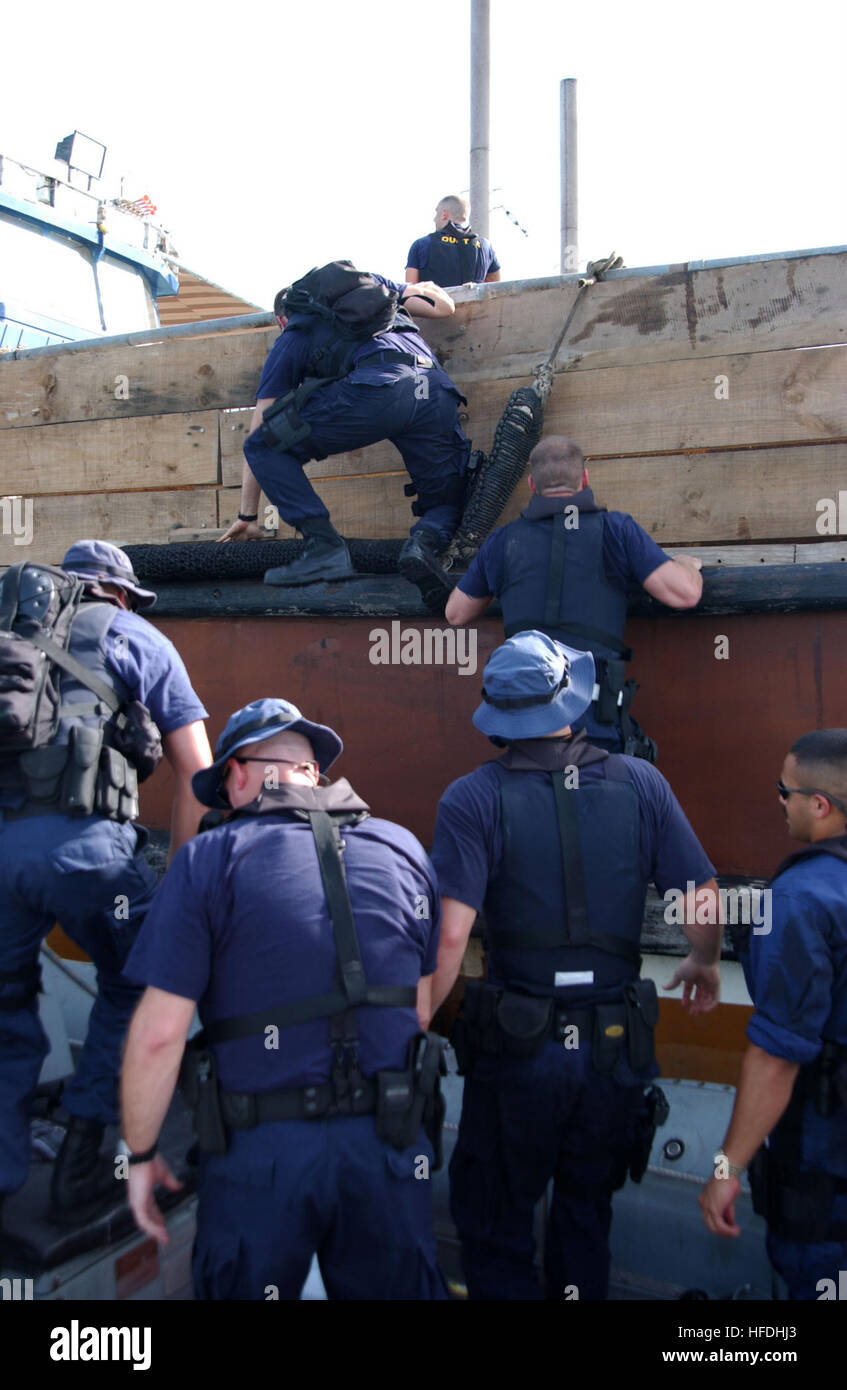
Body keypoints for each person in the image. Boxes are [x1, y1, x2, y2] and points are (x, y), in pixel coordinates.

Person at [423, 631, 722, 1299]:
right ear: (573, 699)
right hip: (613, 1049)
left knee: (495, 1221)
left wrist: (411, 1025)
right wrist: (703, 961)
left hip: (518, 1051)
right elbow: (698, 893)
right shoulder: (641, 782)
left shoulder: (471, 799)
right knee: (586, 1215)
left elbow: (448, 939)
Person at [121, 698, 446, 1300]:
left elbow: (160, 1035)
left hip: (261, 1161)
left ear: (238, 774)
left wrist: (139, 1157)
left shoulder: (205, 861)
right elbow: (419, 1011)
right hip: (389, 1149)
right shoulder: (405, 850)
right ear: (311, 773)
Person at [0, 540, 211, 1226]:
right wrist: (180, 879)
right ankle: (86, 1155)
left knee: (5, 1004)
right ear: (121, 593)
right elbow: (198, 775)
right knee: (135, 982)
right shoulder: (137, 636)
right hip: (85, 852)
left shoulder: (9, 637)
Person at [699, 729, 847, 1300]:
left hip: (825, 1161)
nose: (779, 801)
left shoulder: (800, 898)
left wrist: (724, 1171)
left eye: (784, 790)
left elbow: (776, 1057)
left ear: (820, 805)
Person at [445, 435, 704, 755]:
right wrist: (686, 565)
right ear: (584, 479)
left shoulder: (503, 541)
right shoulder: (616, 530)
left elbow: (455, 613)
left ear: (531, 485)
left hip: (527, 729)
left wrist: (504, 579)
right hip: (596, 729)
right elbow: (686, 594)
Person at [219, 264, 471, 593]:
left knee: (263, 446)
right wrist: (420, 285)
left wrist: (248, 516)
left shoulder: (294, 335)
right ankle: (422, 546)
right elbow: (444, 306)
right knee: (444, 501)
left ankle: (325, 549)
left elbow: (259, 431)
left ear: (282, 319)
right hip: (436, 391)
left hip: (380, 391)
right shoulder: (381, 293)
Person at [405, 196, 501, 287]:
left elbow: (411, 289)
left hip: (436, 303)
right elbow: (494, 289)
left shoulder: (422, 244)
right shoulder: (486, 246)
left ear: (444, 214)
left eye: (436, 213)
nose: (434, 219)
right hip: (475, 304)